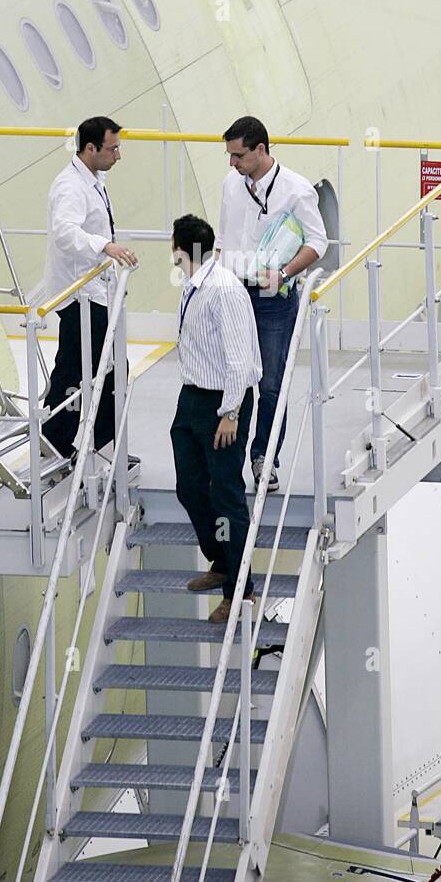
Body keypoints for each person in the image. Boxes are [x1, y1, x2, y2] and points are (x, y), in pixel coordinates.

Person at [217, 115, 328, 490]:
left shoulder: (295, 190)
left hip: (271, 297)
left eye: (239, 156)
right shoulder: (231, 186)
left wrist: (283, 273)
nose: (233, 164)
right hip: (233, 292)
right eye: (230, 156)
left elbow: (318, 242)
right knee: (232, 376)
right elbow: (223, 237)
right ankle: (228, 457)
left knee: (270, 384)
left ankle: (264, 457)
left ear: (261, 150)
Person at [169, 214, 262, 624]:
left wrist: (232, 412)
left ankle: (239, 590)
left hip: (223, 403)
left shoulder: (223, 290)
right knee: (189, 487)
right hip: (192, 396)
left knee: (226, 495)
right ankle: (221, 558)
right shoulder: (193, 286)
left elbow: (241, 360)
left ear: (181, 249)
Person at [41, 116, 138, 460]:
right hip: (81, 293)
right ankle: (85, 444)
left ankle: (63, 439)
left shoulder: (91, 178)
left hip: (92, 291)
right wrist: (105, 246)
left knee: (84, 366)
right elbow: (66, 232)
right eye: (113, 148)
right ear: (91, 148)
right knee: (102, 368)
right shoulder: (71, 186)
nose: (118, 155)